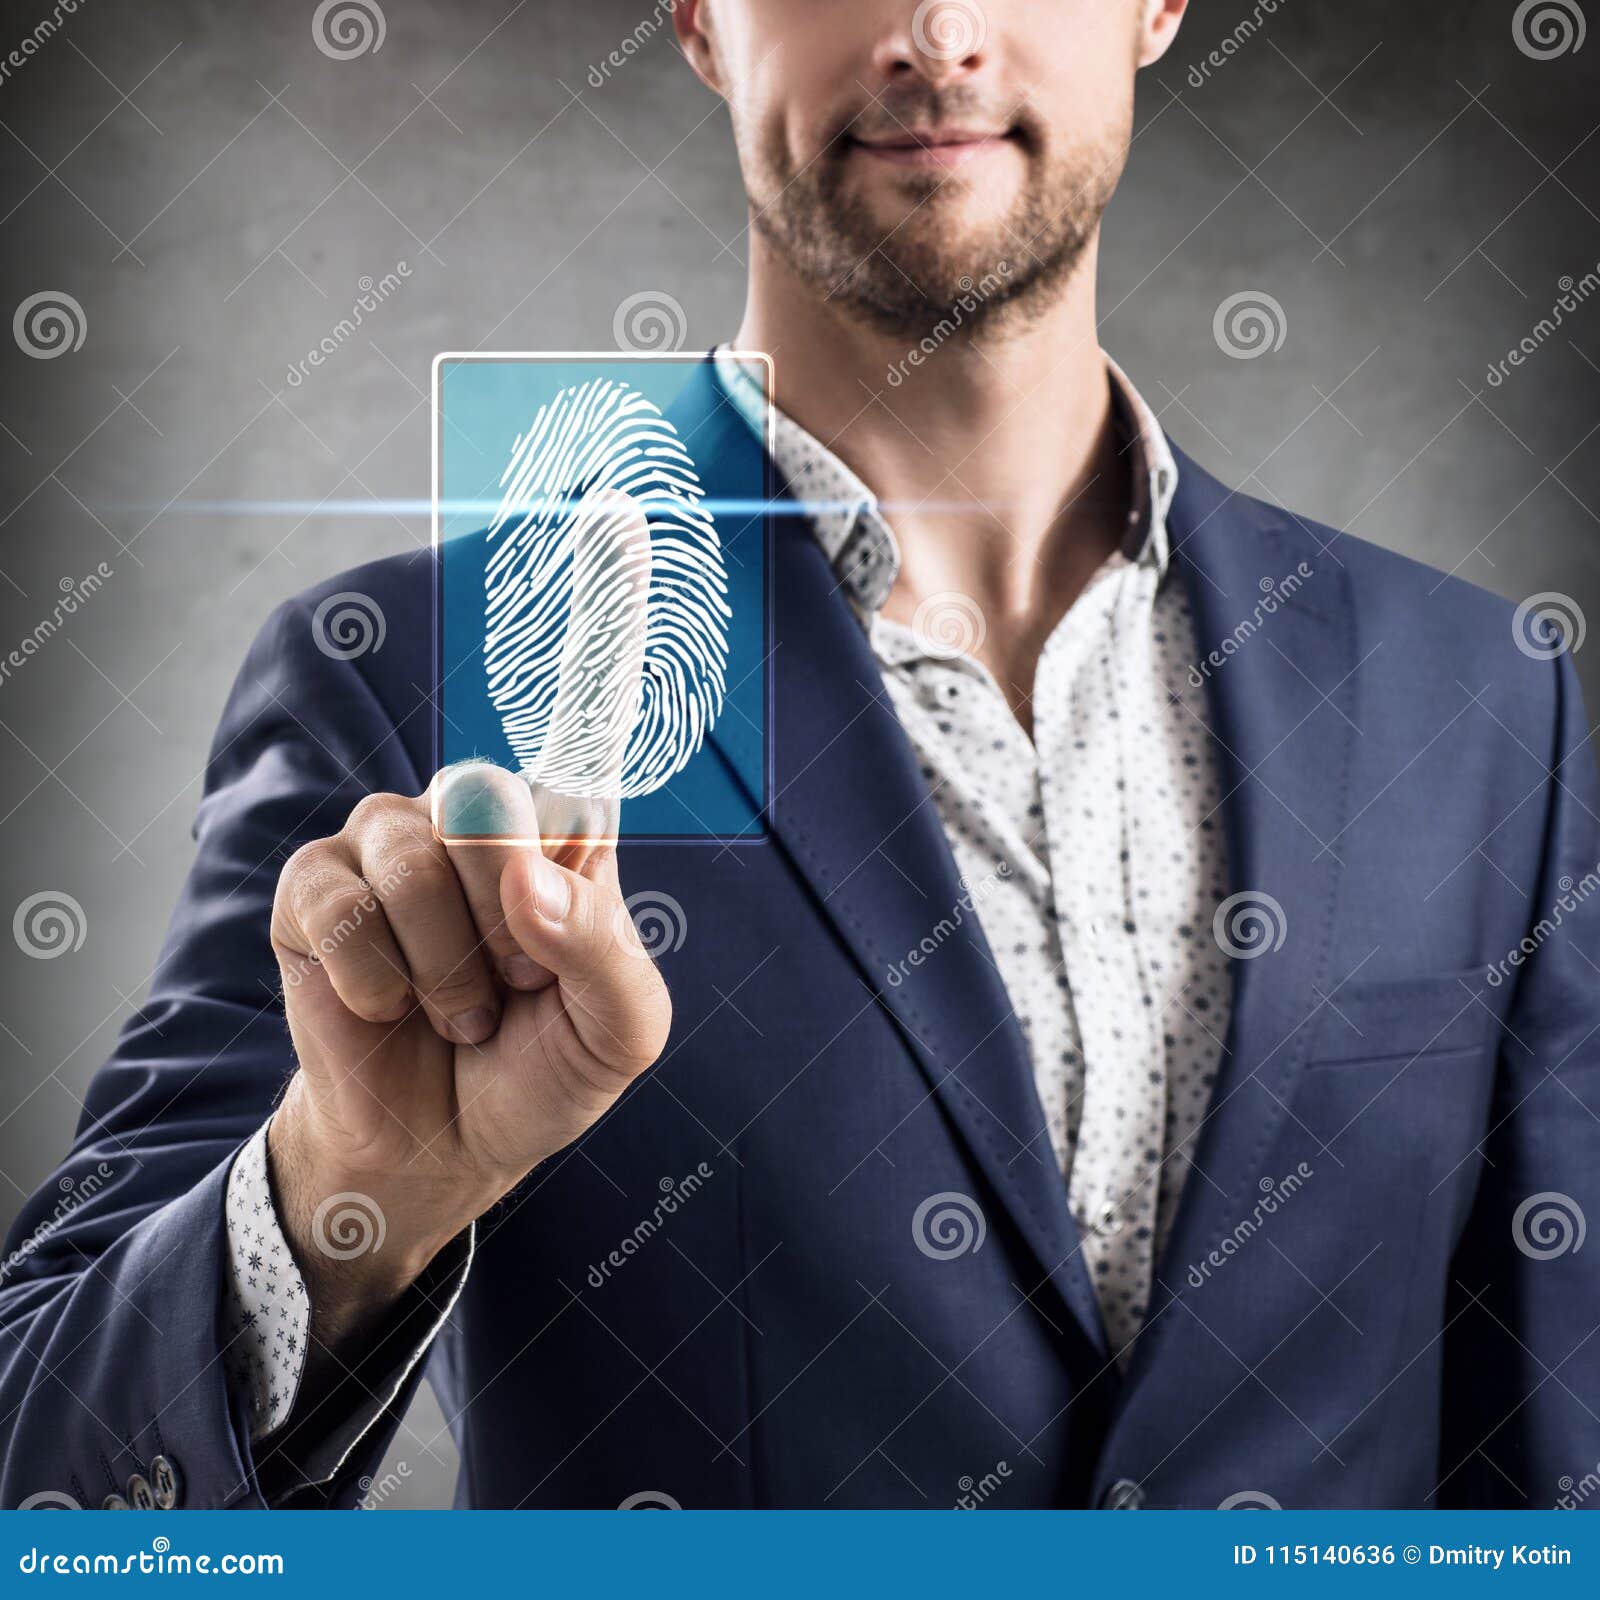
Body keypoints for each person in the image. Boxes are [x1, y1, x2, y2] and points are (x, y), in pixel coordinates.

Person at [2, 0, 1596, 1511]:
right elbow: (48, 1485)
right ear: (700, 16)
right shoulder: (424, 687)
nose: (936, 35)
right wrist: (346, 1196)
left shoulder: (1479, 701)